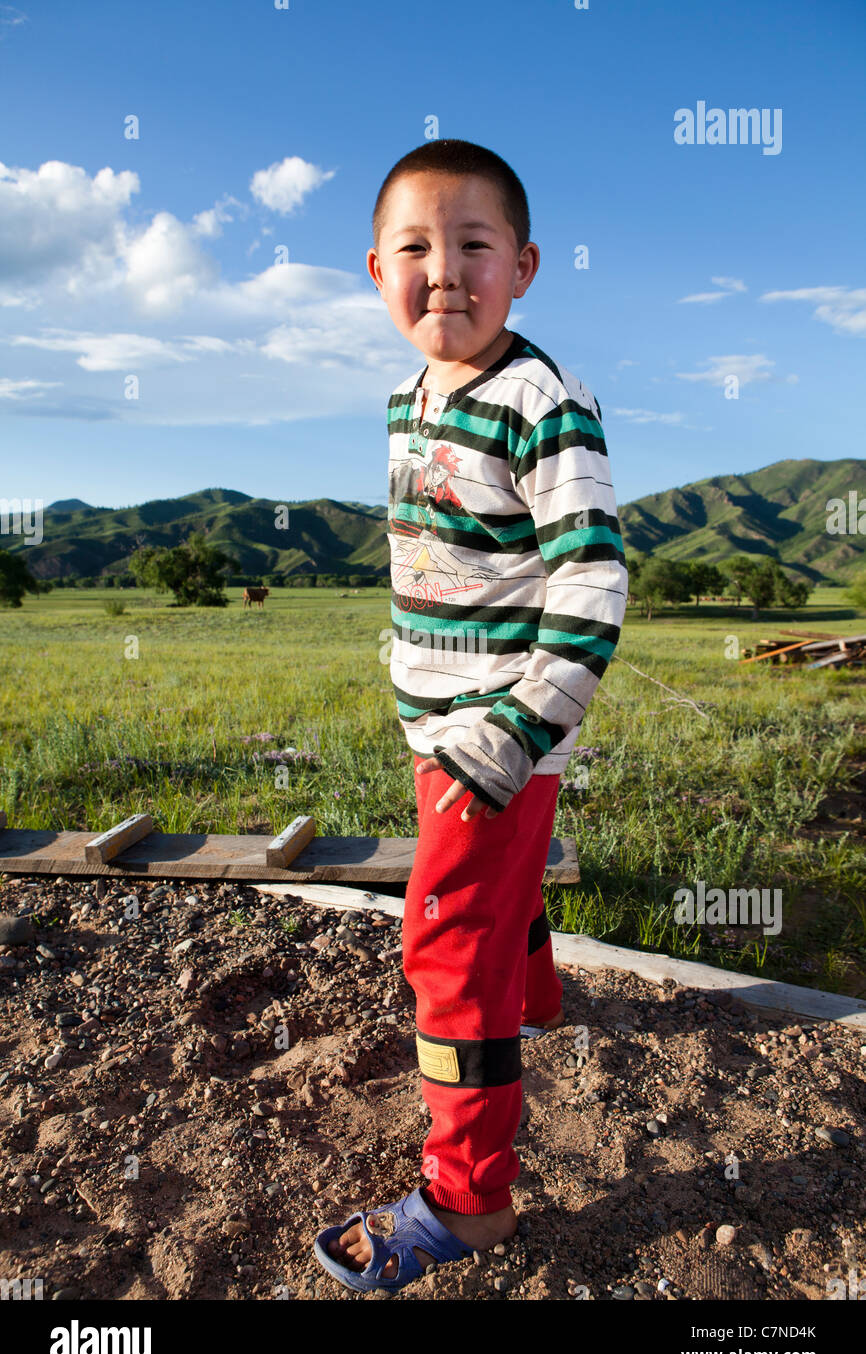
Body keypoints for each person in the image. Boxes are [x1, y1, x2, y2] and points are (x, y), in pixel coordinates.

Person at [313, 138, 628, 1293]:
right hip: (435, 723)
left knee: (442, 944)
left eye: (472, 245)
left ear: (524, 267)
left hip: (499, 728)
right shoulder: (407, 396)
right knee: (499, 894)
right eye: (413, 247)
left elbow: (591, 579)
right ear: (373, 270)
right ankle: (535, 1003)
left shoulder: (544, 402)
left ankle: (469, 1199)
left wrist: (511, 732)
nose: (441, 271)